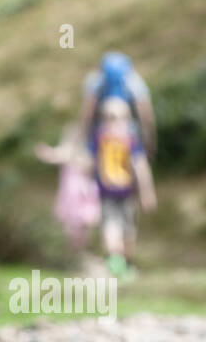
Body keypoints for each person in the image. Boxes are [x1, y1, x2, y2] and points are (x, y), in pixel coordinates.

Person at [90, 96, 156, 278]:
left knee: (114, 226)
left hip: (108, 189)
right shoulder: (130, 139)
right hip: (124, 190)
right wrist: (147, 192)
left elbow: (90, 163)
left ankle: (117, 260)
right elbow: (140, 166)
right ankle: (123, 263)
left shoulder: (98, 138)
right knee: (125, 228)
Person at [34, 123, 100, 252]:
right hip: (72, 195)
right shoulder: (68, 152)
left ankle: (80, 250)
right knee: (74, 225)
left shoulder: (82, 153)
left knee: (82, 224)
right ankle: (75, 250)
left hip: (82, 194)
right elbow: (53, 156)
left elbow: (89, 165)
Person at [80, 51, 156, 158]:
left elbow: (87, 115)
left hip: (102, 135)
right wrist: (150, 141)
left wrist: (85, 139)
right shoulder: (134, 81)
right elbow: (147, 116)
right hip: (128, 134)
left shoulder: (95, 81)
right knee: (137, 163)